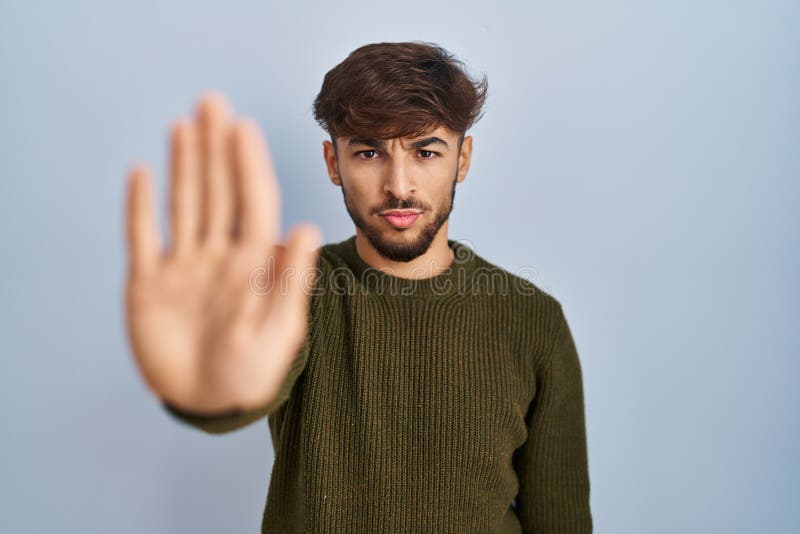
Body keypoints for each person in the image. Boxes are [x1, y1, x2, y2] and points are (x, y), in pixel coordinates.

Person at [123, 40, 592, 533]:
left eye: (425, 151)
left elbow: (560, 519)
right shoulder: (294, 292)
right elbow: (240, 389)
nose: (399, 185)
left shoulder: (533, 318)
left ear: (463, 159)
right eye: (369, 152)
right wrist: (210, 396)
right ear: (333, 163)